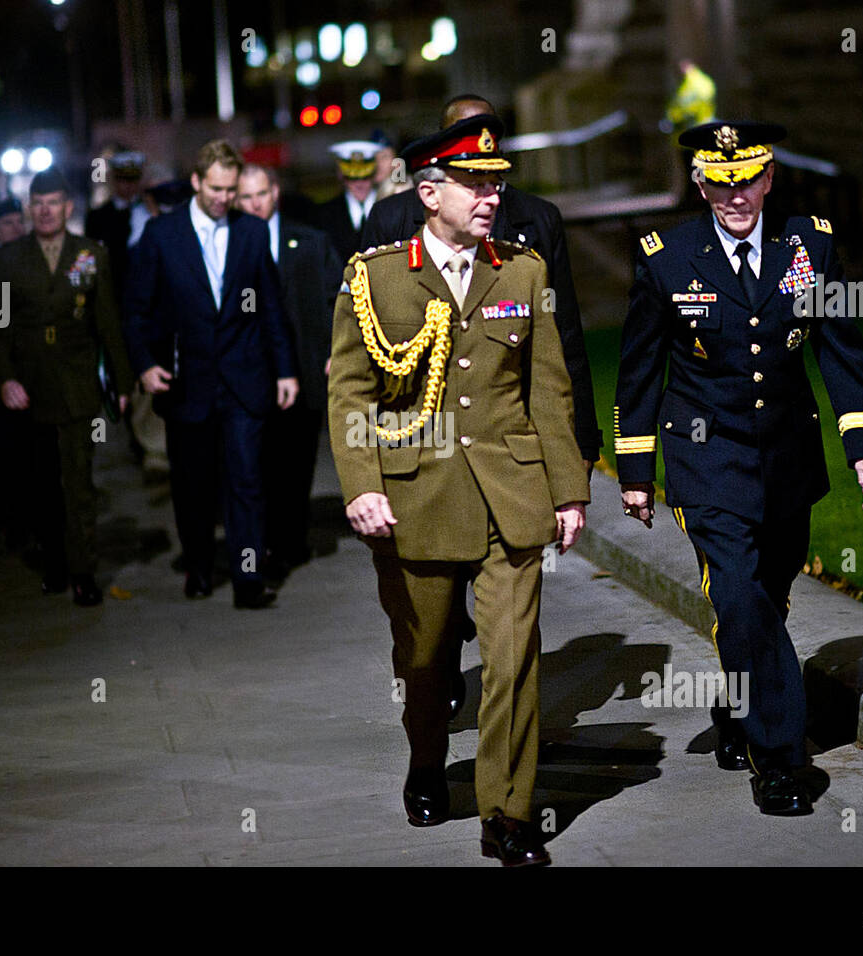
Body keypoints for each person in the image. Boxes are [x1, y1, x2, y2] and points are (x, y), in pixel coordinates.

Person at [328, 116, 588, 866]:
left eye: (495, 182)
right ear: (429, 191)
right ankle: (425, 757)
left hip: (514, 500)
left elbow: (549, 391)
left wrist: (568, 493)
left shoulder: (524, 272)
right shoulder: (376, 276)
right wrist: (361, 487)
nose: (491, 196)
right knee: (427, 660)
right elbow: (350, 393)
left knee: (513, 661)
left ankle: (508, 812)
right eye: (474, 183)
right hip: (417, 499)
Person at [614, 120, 863, 815]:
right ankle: (780, 760)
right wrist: (637, 469)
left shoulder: (811, 244)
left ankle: (741, 707)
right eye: (721, 182)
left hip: (788, 453)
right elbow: (641, 366)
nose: (736, 195)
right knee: (737, 596)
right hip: (708, 456)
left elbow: (840, 346)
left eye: (749, 180)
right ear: (701, 183)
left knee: (768, 594)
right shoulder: (667, 257)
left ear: (768, 178)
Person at [362, 93, 602, 719]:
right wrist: (372, 476)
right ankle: (430, 710)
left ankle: (507, 807)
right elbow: (364, 355)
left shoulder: (535, 224)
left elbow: (561, 344)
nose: (486, 187)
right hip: (425, 463)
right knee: (425, 637)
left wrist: (578, 447)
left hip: (505, 460)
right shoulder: (390, 222)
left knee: (510, 635)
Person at [123, 140, 299, 609]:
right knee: (193, 484)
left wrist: (285, 370)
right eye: (216, 188)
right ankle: (199, 566)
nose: (224, 198)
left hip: (244, 380)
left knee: (247, 481)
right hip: (188, 382)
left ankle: (248, 578)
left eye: (231, 189)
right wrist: (144, 364)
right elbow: (136, 310)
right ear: (197, 182)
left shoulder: (251, 233)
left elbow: (270, 308)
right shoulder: (161, 236)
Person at [0, 169, 133, 606]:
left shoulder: (89, 255)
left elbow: (107, 322)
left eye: (54, 202)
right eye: (37, 203)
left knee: (79, 483)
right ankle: (55, 561)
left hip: (76, 385)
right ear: (29, 209)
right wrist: (5, 378)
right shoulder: (7, 259)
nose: (45, 210)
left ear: (68, 207)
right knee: (41, 484)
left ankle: (84, 570)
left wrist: (121, 383)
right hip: (29, 387)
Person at [236, 163, 341, 579]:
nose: (253, 204)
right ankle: (265, 544)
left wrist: (336, 353)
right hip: (250, 377)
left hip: (303, 370)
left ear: (274, 192)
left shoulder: (311, 243)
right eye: (244, 197)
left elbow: (338, 302)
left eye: (259, 194)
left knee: (297, 464)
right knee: (258, 465)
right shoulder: (227, 246)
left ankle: (291, 540)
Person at [85, 149, 145, 304]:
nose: (128, 185)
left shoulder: (149, 212)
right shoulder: (97, 217)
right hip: (113, 294)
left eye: (133, 179)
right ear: (113, 179)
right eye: (123, 179)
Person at [317, 140, 382, 264]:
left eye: (365, 176)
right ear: (340, 175)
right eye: (352, 177)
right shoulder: (325, 214)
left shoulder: (391, 209)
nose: (359, 184)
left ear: (374, 174)